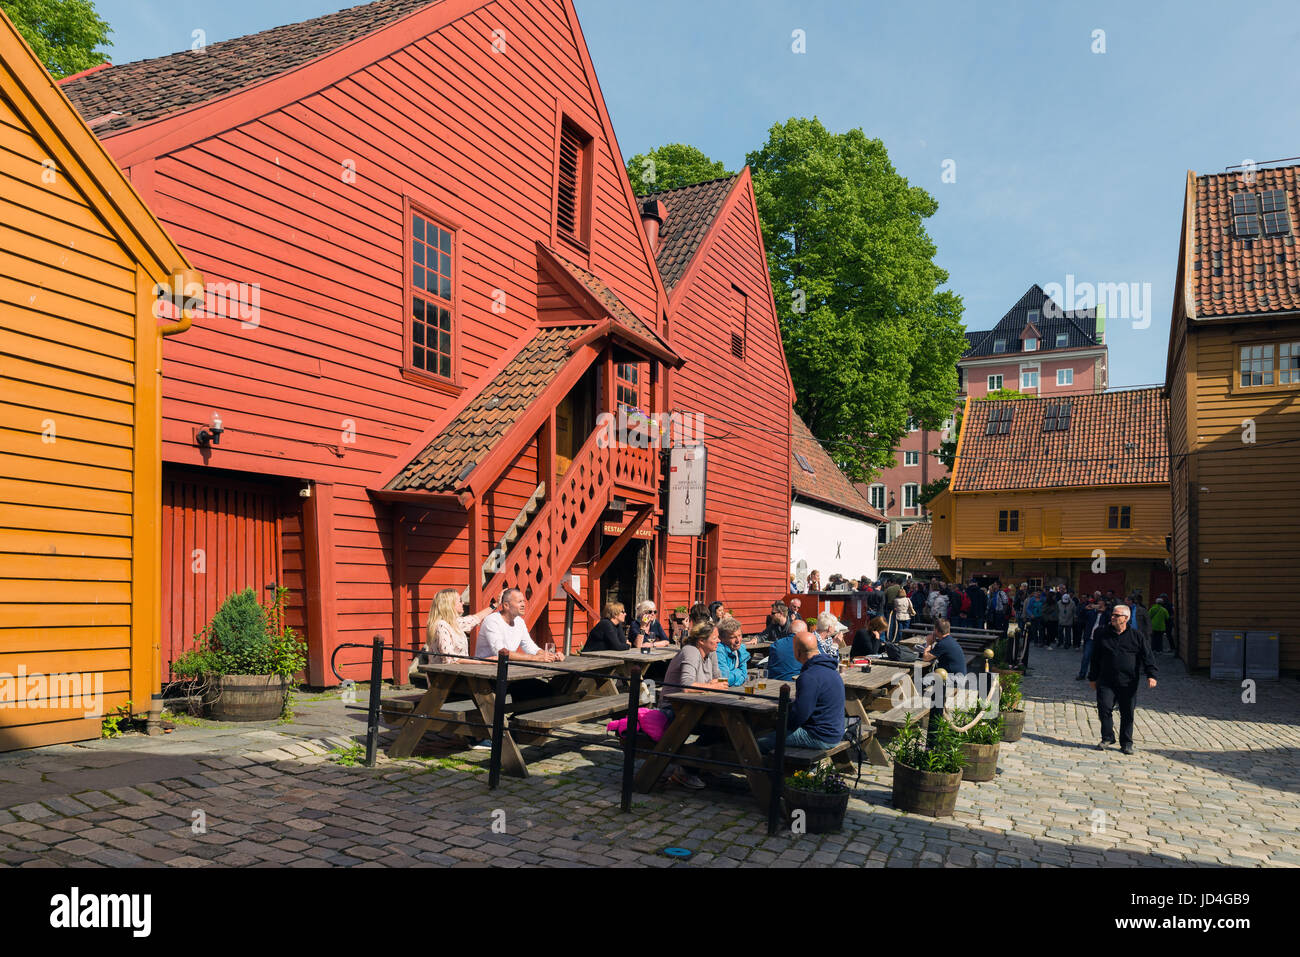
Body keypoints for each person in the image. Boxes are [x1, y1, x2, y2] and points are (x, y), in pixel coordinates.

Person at [659, 620, 729, 789]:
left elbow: (720, 679)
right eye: (715, 638)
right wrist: (711, 686)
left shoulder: (711, 652)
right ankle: (687, 769)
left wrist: (713, 684)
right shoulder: (690, 651)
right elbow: (686, 686)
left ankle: (699, 764)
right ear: (701, 641)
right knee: (717, 728)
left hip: (697, 707)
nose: (719, 641)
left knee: (725, 728)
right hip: (672, 709)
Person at [758, 631, 845, 753]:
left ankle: (769, 771)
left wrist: (781, 724)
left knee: (760, 742)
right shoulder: (831, 669)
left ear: (797, 652)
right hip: (835, 731)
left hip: (819, 736)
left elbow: (800, 714)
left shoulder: (809, 676)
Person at [1088, 604, 1157, 754]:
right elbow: (1095, 657)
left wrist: (1151, 674)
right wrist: (1092, 678)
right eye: (1112, 614)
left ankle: (1126, 742)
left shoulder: (1137, 636)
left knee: (1127, 712)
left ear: (1125, 618)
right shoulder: (1102, 633)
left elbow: (1147, 656)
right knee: (1104, 708)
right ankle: (1107, 737)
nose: (1112, 617)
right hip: (1106, 680)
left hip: (1128, 682)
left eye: (1116, 615)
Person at [416, 588, 496, 674]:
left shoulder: (453, 622)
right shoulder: (441, 625)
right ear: (450, 604)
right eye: (460, 601)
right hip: (445, 679)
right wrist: (484, 661)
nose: (463, 603)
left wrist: (495, 605)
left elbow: (474, 619)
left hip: (458, 674)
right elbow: (450, 659)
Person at [474, 587, 562, 662]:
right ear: (506, 605)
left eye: (523, 601)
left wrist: (549, 655)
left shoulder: (519, 621)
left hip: (507, 668)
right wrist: (534, 658)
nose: (523, 604)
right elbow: (500, 652)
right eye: (519, 602)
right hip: (486, 671)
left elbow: (529, 646)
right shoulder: (492, 621)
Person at [715, 617, 751, 687]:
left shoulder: (741, 649)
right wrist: (738, 671)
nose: (738, 640)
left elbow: (745, 676)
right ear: (721, 639)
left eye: (739, 635)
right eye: (732, 637)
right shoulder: (718, 650)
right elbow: (724, 680)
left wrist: (734, 681)